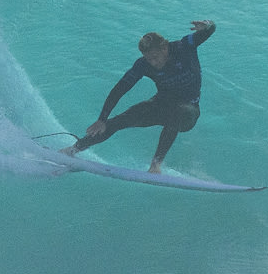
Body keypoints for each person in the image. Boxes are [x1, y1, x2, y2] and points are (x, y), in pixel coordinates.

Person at [66, 19, 216, 174]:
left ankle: (156, 165)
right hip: (161, 105)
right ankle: (71, 151)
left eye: (155, 57)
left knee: (178, 112)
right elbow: (120, 89)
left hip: (188, 112)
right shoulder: (143, 64)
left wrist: (208, 25)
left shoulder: (184, 47)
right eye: (149, 58)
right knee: (119, 121)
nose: (153, 62)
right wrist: (102, 119)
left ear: (165, 47)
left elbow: (209, 30)